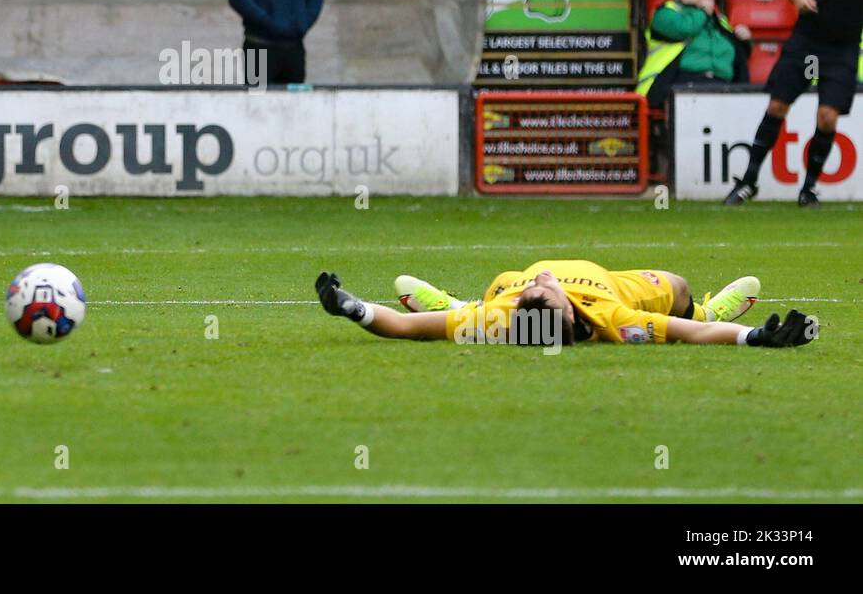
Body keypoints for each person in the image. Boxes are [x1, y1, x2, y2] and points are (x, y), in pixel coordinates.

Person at [725, 0, 863, 207]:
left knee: (828, 117)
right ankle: (749, 181)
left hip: (842, 49)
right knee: (777, 106)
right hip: (808, 44)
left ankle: (809, 188)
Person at [315, 260, 818, 347]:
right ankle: (710, 304)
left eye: (535, 288)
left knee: (459, 314)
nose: (543, 279)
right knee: (679, 286)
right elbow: (694, 336)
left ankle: (453, 302)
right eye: (545, 289)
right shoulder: (614, 320)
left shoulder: (499, 316)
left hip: (493, 288)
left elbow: (402, 327)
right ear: (567, 311)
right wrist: (755, 336)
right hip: (613, 284)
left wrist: (351, 307)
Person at [636, 0, 751, 108]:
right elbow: (685, 29)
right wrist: (702, 12)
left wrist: (743, 39)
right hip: (678, 84)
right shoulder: (666, 13)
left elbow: (738, 54)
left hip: (722, 85)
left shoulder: (718, 21)